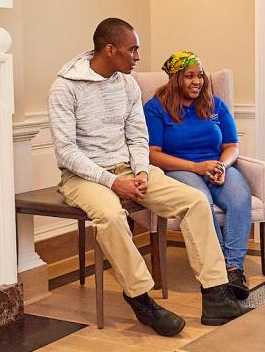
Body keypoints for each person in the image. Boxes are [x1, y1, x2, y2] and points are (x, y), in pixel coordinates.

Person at [50, 19, 250, 334]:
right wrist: (113, 182)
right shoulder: (65, 87)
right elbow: (66, 152)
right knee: (112, 216)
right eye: (133, 50)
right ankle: (142, 300)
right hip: (83, 176)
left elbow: (138, 138)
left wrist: (141, 171)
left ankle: (216, 296)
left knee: (196, 201)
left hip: (131, 169)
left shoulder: (126, 83)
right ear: (110, 49)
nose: (138, 57)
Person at [146, 51, 253, 300]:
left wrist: (223, 167)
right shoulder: (155, 108)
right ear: (175, 79)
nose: (197, 82)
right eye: (189, 76)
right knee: (201, 203)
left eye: (200, 76)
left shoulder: (214, 103)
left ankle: (233, 268)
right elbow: (153, 154)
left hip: (216, 166)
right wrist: (196, 167)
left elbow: (231, 145)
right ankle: (217, 272)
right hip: (181, 170)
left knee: (240, 197)